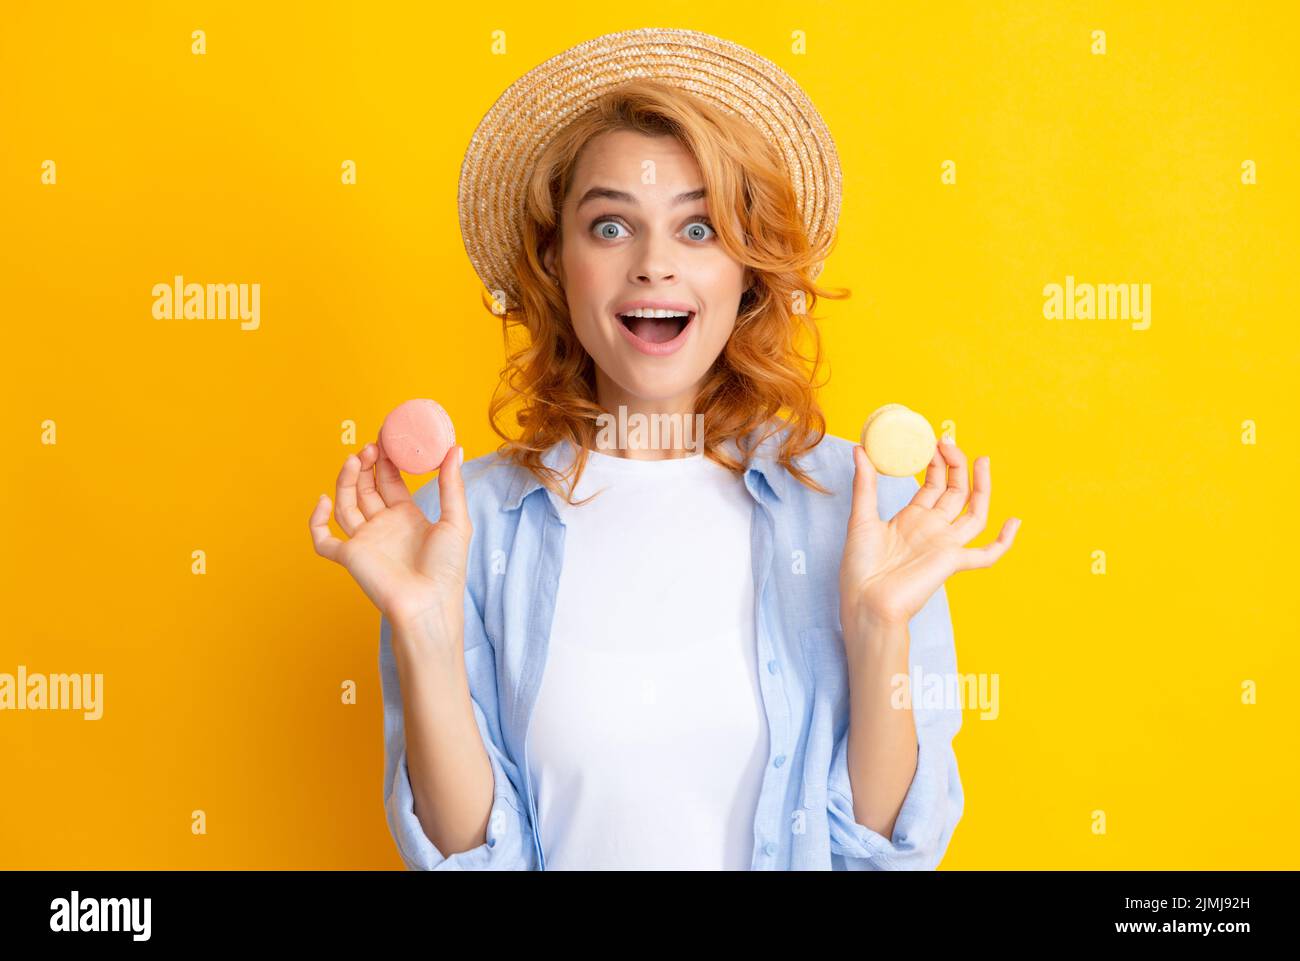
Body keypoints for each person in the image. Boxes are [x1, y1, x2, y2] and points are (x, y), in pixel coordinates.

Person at [308, 28, 1020, 870]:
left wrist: (877, 627)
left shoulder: (865, 509)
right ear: (554, 261)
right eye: (610, 226)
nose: (654, 265)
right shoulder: (461, 528)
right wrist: (424, 631)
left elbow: (878, 858)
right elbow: (473, 861)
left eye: (699, 229)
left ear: (749, 269)